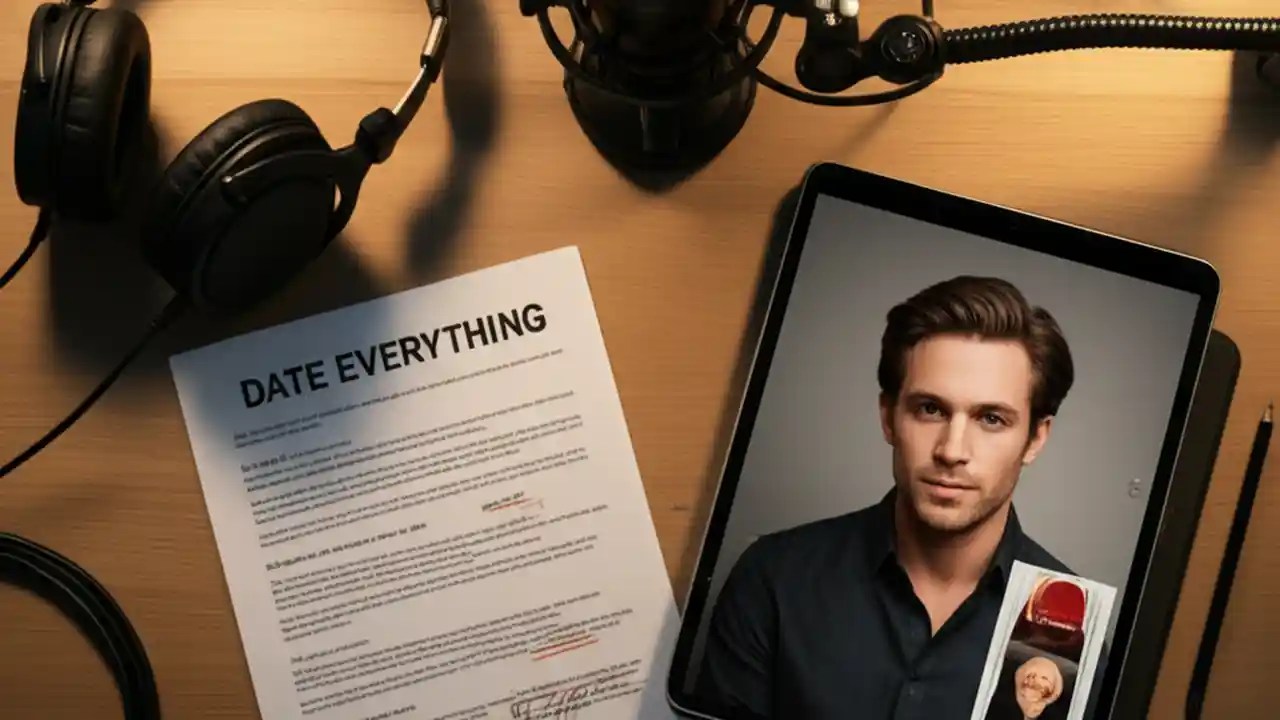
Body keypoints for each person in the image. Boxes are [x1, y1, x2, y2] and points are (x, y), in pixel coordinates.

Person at [696, 275, 1103, 720]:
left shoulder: (1071, 634)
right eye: (930, 409)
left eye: (991, 418)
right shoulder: (774, 579)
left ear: (1036, 438)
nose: (952, 450)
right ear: (889, 417)